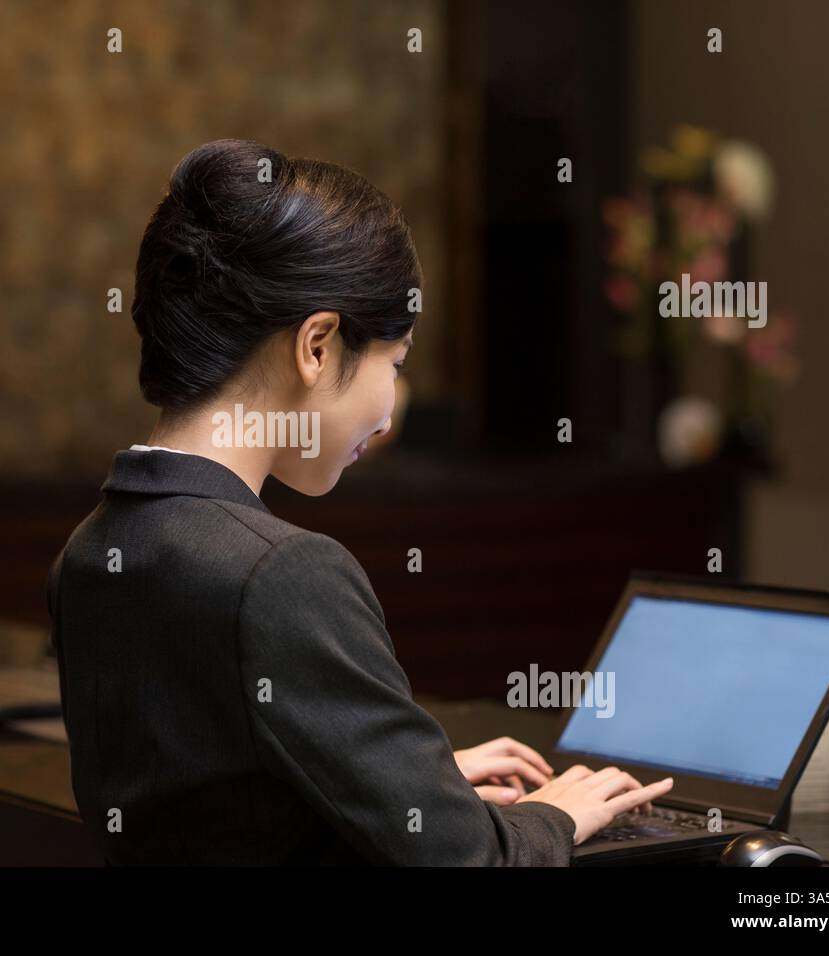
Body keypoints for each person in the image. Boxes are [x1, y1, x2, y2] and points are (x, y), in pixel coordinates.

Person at [46, 138, 673, 865]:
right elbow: (468, 862)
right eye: (395, 364)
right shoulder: (281, 573)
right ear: (316, 344)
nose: (386, 416)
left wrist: (405, 788)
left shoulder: (92, 549)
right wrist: (552, 817)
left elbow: (216, 807)